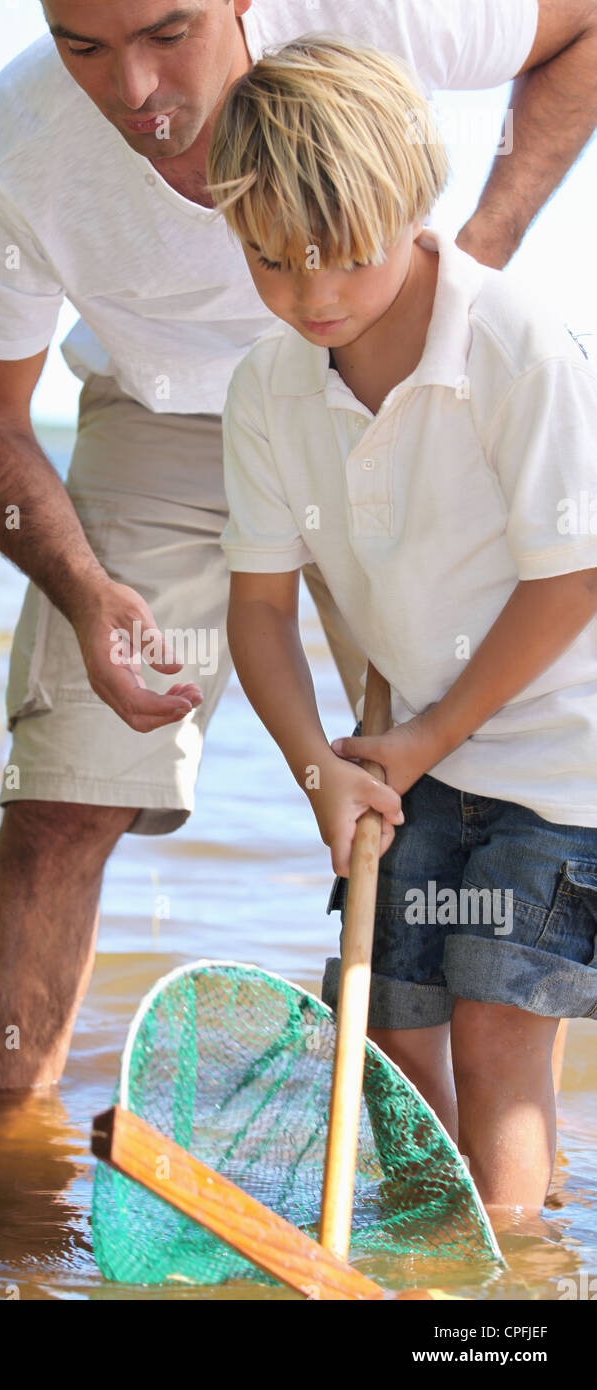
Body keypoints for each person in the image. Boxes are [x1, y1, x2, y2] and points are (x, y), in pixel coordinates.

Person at [0, 0, 597, 1091]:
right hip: (175, 413)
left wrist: (468, 261)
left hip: (410, 397)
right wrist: (86, 589)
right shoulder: (9, 145)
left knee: (476, 802)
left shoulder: (384, 15)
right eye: (84, 47)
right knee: (62, 795)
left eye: (166, 31)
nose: (134, 90)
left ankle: (486, 1185)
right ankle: (2, 1182)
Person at [207, 34, 597, 1213]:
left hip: (559, 762)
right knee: (386, 1037)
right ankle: (437, 1260)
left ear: (412, 204)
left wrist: (425, 742)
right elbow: (260, 605)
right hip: (406, 755)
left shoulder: (512, 346)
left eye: (344, 258)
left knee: (494, 1043)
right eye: (272, 263)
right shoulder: (268, 388)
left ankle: (506, 1302)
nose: (312, 294)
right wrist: (315, 763)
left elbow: (569, 582)